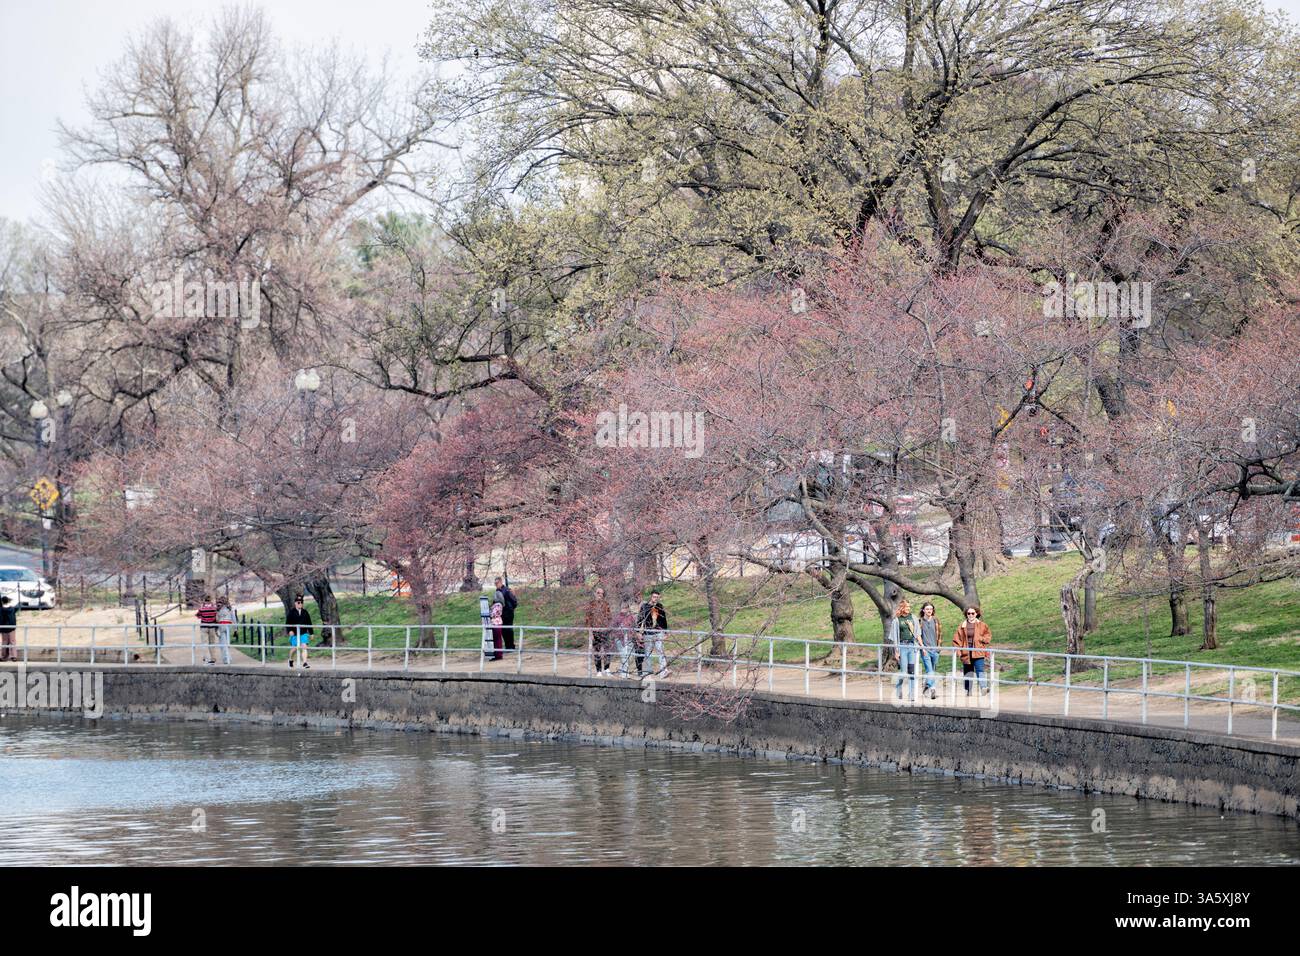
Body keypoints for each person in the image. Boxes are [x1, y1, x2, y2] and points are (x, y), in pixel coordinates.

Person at [953, 606, 992, 697]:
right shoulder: (962, 626)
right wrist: (959, 653)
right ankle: (968, 690)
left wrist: (981, 639)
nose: (970, 615)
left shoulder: (982, 625)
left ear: (976, 614)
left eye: (972, 613)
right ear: (966, 614)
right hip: (966, 653)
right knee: (968, 672)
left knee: (980, 670)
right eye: (968, 613)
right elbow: (956, 640)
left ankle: (983, 688)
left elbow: (988, 637)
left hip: (978, 652)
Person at [891, 599, 922, 700]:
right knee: (903, 671)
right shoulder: (897, 620)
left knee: (911, 671)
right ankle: (898, 690)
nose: (908, 609)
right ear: (902, 608)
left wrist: (922, 646)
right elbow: (894, 637)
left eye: (909, 607)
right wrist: (896, 651)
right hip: (902, 646)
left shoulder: (913, 618)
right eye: (906, 607)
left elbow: (917, 633)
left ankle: (911, 694)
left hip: (912, 646)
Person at [637, 590, 669, 678]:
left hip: (658, 632)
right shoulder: (645, 606)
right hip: (648, 632)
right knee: (648, 653)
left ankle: (664, 671)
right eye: (654, 597)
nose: (655, 599)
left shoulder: (660, 606)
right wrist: (638, 632)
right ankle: (648, 672)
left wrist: (665, 631)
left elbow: (663, 619)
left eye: (657, 597)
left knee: (660, 651)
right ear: (651, 597)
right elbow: (640, 619)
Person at [583, 585, 613, 675]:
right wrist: (590, 632)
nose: (600, 595)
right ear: (595, 594)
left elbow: (609, 617)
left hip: (605, 630)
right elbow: (588, 619)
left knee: (607, 650)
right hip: (595, 631)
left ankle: (607, 669)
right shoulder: (591, 604)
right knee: (597, 651)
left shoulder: (606, 604)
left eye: (602, 593)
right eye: (598, 593)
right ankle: (599, 670)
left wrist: (609, 628)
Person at [918, 602, 942, 700]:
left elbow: (940, 634)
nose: (929, 611)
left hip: (935, 649)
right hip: (925, 650)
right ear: (923, 610)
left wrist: (938, 648)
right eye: (927, 609)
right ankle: (932, 689)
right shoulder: (920, 621)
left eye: (931, 609)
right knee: (929, 670)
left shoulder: (936, 620)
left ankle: (927, 686)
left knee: (932, 670)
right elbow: (917, 635)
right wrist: (922, 648)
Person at [285, 595, 313, 669]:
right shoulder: (291, 612)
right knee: (294, 648)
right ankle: (290, 660)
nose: (300, 604)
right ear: (295, 603)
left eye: (301, 602)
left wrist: (311, 633)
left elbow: (309, 623)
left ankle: (305, 663)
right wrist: (290, 631)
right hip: (294, 633)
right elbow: (288, 623)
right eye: (298, 602)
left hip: (303, 633)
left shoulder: (305, 612)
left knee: (304, 646)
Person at [612, 602, 638, 678]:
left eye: (625, 608)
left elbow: (634, 626)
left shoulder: (631, 617)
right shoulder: (617, 617)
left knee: (630, 657)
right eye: (622, 608)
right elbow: (613, 627)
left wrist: (633, 634)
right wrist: (618, 634)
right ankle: (624, 673)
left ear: (627, 608)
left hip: (629, 639)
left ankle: (621, 669)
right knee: (624, 656)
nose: (623, 609)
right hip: (620, 639)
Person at [493, 576, 518, 652]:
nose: (496, 584)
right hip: (501, 614)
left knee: (509, 629)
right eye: (495, 583)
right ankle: (507, 646)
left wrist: (511, 609)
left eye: (497, 583)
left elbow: (514, 601)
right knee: (503, 630)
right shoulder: (497, 591)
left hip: (508, 613)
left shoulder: (506, 590)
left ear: (501, 582)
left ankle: (511, 646)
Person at [196, 594, 219, 663]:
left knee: (205, 643)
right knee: (212, 643)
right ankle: (213, 658)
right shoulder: (214, 608)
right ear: (211, 600)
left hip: (204, 627)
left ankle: (207, 658)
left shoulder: (202, 608)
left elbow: (198, 615)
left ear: (204, 600)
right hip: (212, 627)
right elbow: (216, 616)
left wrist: (203, 617)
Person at [214, 597, 235, 666]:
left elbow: (216, 620)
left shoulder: (218, 609)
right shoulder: (230, 608)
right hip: (228, 626)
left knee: (223, 643)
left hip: (221, 625)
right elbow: (233, 618)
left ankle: (226, 658)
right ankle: (228, 657)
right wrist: (235, 628)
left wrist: (216, 629)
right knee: (227, 643)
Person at [0, 593, 17, 662]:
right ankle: (13, 656)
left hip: (3, 627)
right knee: (12, 641)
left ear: (2, 601)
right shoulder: (12, 609)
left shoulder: (0, 609)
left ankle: (4, 656)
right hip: (11, 627)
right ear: (8, 601)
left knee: (4, 642)